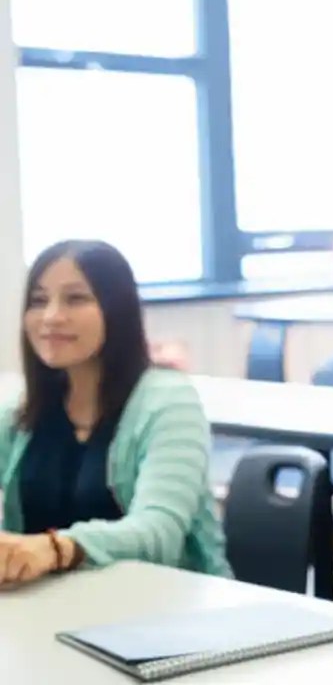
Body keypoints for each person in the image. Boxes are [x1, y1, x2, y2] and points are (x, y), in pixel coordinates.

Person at [0, 240, 231, 586]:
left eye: (75, 298)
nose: (51, 317)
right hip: (52, 608)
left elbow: (159, 532)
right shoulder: (21, 411)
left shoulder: (168, 402)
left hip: (171, 610)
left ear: (115, 309)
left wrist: (57, 548)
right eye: (38, 300)